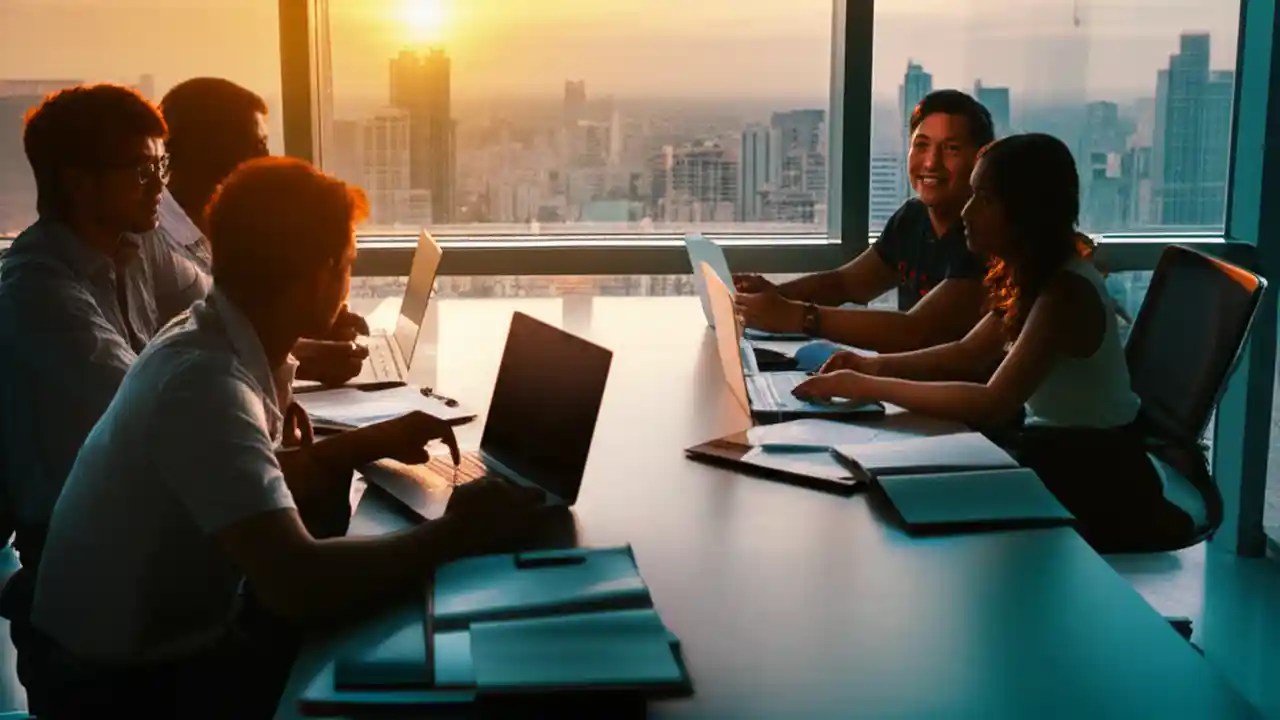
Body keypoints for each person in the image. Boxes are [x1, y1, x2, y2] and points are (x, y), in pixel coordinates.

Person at [29, 157, 544, 717]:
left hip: (153, 643)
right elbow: (298, 583)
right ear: (321, 272)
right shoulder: (204, 385)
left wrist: (361, 445)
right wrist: (458, 533)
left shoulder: (216, 337)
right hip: (124, 686)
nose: (349, 283)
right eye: (349, 264)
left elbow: (244, 485)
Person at [793, 134, 1192, 551]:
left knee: (912, 509)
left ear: (1024, 211)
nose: (965, 211)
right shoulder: (1033, 274)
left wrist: (868, 387)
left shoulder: (1064, 293)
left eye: (983, 199)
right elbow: (967, 352)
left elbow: (992, 402)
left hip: (1099, 474)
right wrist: (869, 366)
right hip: (1059, 451)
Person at [0, 83, 209, 571]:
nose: (160, 186)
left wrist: (301, 344)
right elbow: (149, 408)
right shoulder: (39, 292)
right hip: (80, 553)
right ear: (78, 182)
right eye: (141, 171)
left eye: (161, 166)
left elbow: (220, 312)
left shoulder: (137, 243)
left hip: (147, 509)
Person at [733, 90, 994, 353]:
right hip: (903, 383)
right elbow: (848, 283)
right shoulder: (912, 219)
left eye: (951, 149)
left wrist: (799, 316)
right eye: (922, 145)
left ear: (980, 159)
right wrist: (772, 296)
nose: (931, 162)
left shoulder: (984, 236)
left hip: (949, 391)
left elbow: (917, 331)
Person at [150, 76, 369, 384]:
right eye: (258, 145)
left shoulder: (222, 229)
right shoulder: (155, 248)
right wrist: (306, 355)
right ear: (209, 149)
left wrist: (304, 316)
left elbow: (239, 327)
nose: (267, 159)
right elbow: (212, 348)